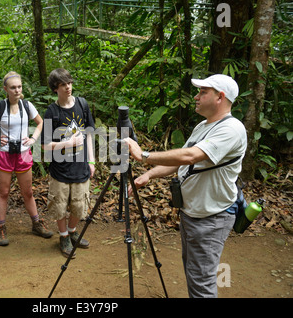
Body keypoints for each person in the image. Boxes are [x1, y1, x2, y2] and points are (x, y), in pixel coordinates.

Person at [124, 74, 247, 298]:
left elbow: (191, 156)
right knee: (194, 272)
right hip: (193, 213)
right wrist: (149, 175)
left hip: (211, 219)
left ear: (220, 97)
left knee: (202, 282)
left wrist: (143, 155)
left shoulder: (232, 129)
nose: (196, 97)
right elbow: (182, 161)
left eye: (203, 92)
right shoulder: (204, 125)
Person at [0, 71, 53, 246]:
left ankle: (36, 223)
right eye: (13, 87)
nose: (17, 90)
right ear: (6, 89)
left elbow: (40, 122)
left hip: (23, 153)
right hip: (4, 153)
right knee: (4, 192)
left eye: (19, 87)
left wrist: (33, 138)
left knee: (28, 192)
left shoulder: (27, 105)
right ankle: (1, 228)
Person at [41, 68, 96, 258]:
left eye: (69, 83)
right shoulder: (52, 112)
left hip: (80, 166)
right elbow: (45, 145)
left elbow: (89, 133)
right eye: (63, 84)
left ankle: (72, 232)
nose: (68, 87)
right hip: (60, 169)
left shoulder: (82, 104)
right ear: (55, 88)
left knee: (79, 205)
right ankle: (63, 236)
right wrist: (67, 143)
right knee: (60, 205)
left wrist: (91, 160)